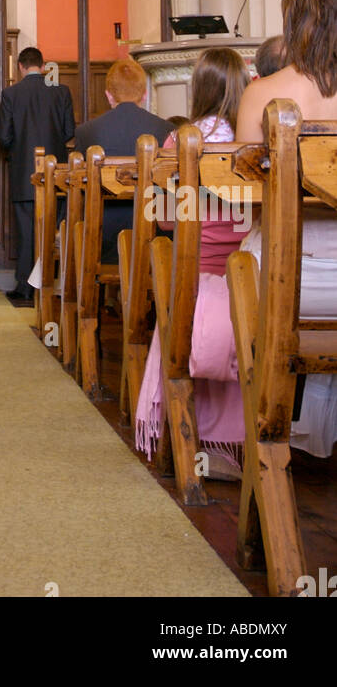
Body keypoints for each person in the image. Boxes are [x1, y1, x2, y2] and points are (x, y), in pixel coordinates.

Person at [236, 0, 337, 457]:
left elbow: (241, 197)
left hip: (284, 281)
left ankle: (266, 435)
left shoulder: (262, 95)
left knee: (241, 263)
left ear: (292, 15)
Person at [135, 47, 250, 479]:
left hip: (195, 274)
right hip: (247, 274)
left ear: (197, 88)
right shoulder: (254, 139)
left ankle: (189, 437)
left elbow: (163, 218)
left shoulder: (181, 140)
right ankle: (237, 445)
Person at [75, 59, 172, 263]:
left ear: (108, 95)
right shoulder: (165, 129)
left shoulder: (87, 131)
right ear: (144, 95)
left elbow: (80, 187)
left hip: (103, 235)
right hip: (154, 232)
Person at [0, 47, 75, 302]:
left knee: (25, 230)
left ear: (20, 67)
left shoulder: (10, 94)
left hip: (23, 170)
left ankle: (24, 286)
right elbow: (68, 132)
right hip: (55, 173)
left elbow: (5, 136)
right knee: (53, 228)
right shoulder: (61, 92)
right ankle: (49, 282)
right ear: (43, 66)